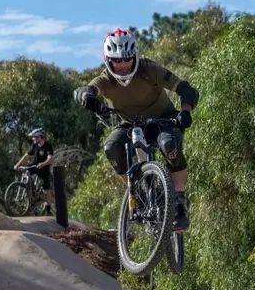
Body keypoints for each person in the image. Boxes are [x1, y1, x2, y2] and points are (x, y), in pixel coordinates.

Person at [73, 28, 198, 231]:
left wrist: (185, 111)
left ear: (135, 56)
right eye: (117, 61)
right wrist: (87, 97)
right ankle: (137, 191)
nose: (122, 66)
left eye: (127, 60)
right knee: (111, 148)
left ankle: (179, 199)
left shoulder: (149, 69)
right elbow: (88, 90)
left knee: (169, 145)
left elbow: (186, 89)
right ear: (108, 60)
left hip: (163, 120)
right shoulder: (105, 79)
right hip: (130, 124)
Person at [14, 127, 53, 215]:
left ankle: (48, 210)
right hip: (34, 165)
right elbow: (26, 156)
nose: (33, 139)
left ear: (40, 137)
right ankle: (30, 189)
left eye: (34, 137)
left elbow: (50, 159)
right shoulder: (34, 146)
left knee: (47, 189)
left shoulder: (48, 145)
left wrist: (42, 164)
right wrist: (18, 164)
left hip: (44, 169)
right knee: (25, 171)